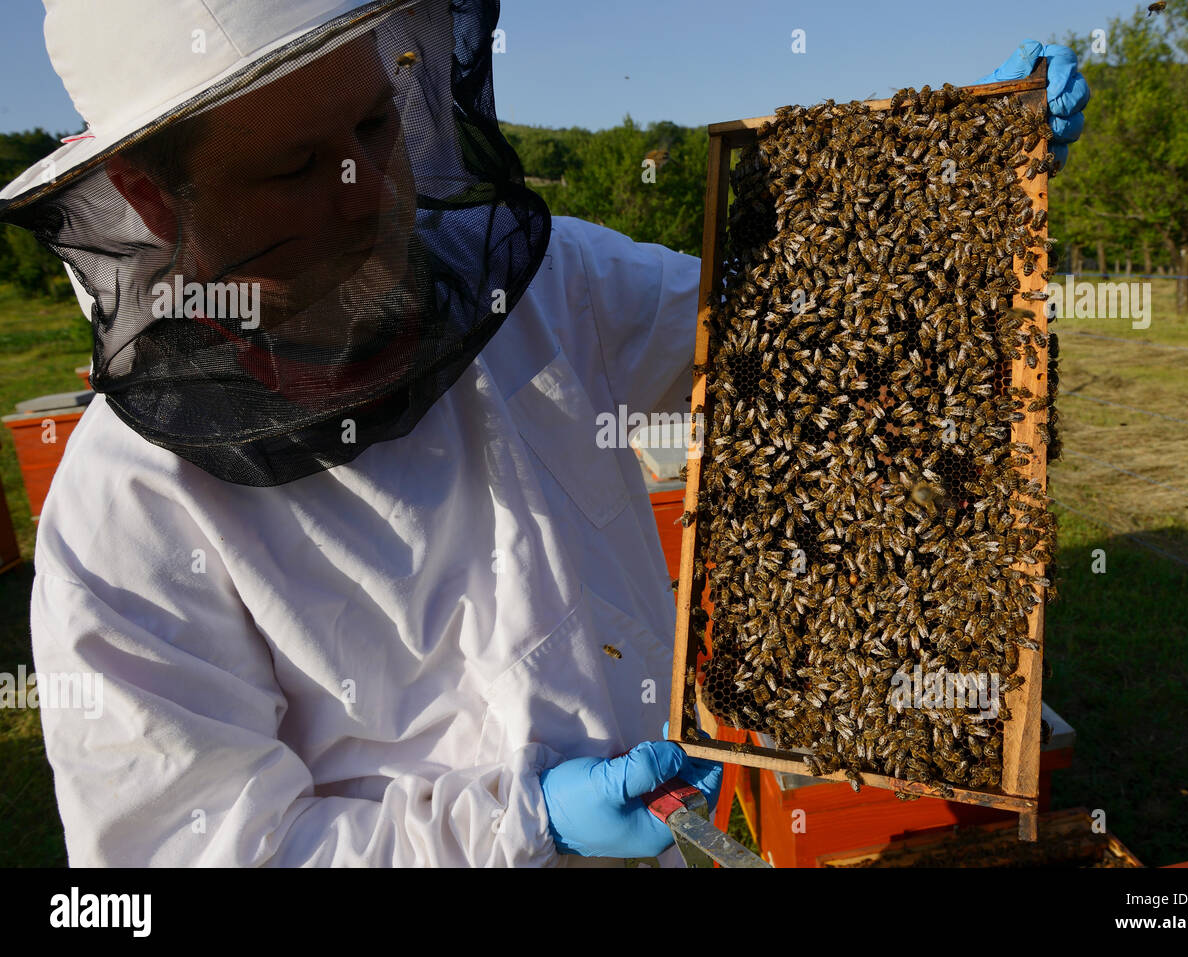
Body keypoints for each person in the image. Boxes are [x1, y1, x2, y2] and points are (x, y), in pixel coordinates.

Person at [1, 0, 1089, 867]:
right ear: (148, 196)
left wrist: (955, 185)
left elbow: (778, 325)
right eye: (295, 167)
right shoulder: (127, 511)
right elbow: (202, 852)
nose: (368, 186)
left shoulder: (554, 285)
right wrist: (527, 825)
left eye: (376, 125)